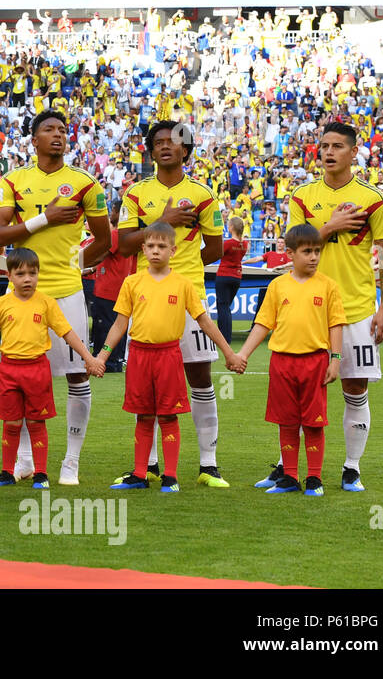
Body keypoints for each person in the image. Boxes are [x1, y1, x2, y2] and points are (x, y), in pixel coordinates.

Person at [0, 110, 110, 485]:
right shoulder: (14, 181)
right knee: (24, 376)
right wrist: (46, 218)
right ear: (34, 139)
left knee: (77, 376)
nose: (57, 135)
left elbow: (105, 241)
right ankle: (25, 459)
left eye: (62, 129)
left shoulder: (85, 182)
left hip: (67, 293)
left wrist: (77, 265)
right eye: (49, 129)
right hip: (23, 296)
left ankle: (70, 461)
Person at [275, 122, 383, 493]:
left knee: (355, 389)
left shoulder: (373, 198)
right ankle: (287, 468)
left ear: (353, 152)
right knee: (296, 391)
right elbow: (291, 245)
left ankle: (351, 467)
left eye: (337, 146)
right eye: (324, 145)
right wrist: (330, 226)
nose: (328, 152)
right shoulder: (303, 195)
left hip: (356, 308)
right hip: (305, 307)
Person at [116, 121, 229, 488]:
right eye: (158, 142)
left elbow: (214, 248)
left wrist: (184, 267)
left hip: (188, 295)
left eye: (173, 142)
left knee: (200, 378)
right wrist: (162, 221)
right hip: (146, 299)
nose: (166, 147)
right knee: (144, 385)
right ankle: (147, 466)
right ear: (151, 151)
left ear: (186, 150)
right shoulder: (136, 193)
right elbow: (123, 244)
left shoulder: (203, 194)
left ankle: (208, 465)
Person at [0, 248, 103, 488]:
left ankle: (41, 474)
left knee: (37, 422)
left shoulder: (46, 303)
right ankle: (7, 472)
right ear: (9, 277)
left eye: (32, 273)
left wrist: (89, 358)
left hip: (37, 370)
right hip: (9, 370)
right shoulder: (1, 304)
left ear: (38, 274)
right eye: (20, 274)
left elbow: (67, 333)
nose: (27, 279)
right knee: (12, 422)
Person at [104, 223, 241, 493]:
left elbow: (205, 322)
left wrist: (229, 352)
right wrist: (101, 354)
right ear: (143, 250)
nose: (156, 251)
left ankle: (170, 475)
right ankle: (141, 473)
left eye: (162, 246)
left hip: (168, 356)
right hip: (140, 356)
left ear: (173, 251)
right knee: (143, 415)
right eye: (151, 246)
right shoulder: (132, 283)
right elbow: (120, 324)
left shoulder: (183, 284)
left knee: (168, 416)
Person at [236, 223, 345, 497]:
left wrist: (335, 359)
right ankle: (290, 477)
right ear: (290, 253)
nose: (314, 257)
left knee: (313, 422)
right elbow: (262, 323)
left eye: (317, 251)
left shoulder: (329, 286)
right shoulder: (277, 286)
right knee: (287, 422)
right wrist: (243, 354)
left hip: (315, 362)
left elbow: (336, 325)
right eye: (307, 251)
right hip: (282, 363)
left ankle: (314, 478)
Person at [87, 202, 135, 372]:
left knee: (105, 327)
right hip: (116, 287)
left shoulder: (115, 235)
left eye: (112, 211)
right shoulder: (127, 236)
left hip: (108, 289)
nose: (110, 214)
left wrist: (80, 264)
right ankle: (115, 360)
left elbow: (100, 253)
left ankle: (109, 363)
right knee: (112, 326)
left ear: (118, 213)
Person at [216, 216, 248, 344]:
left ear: (231, 227)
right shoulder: (244, 244)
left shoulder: (228, 243)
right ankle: (224, 336)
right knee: (226, 307)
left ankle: (224, 338)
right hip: (236, 276)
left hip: (224, 275)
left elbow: (218, 253)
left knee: (223, 307)